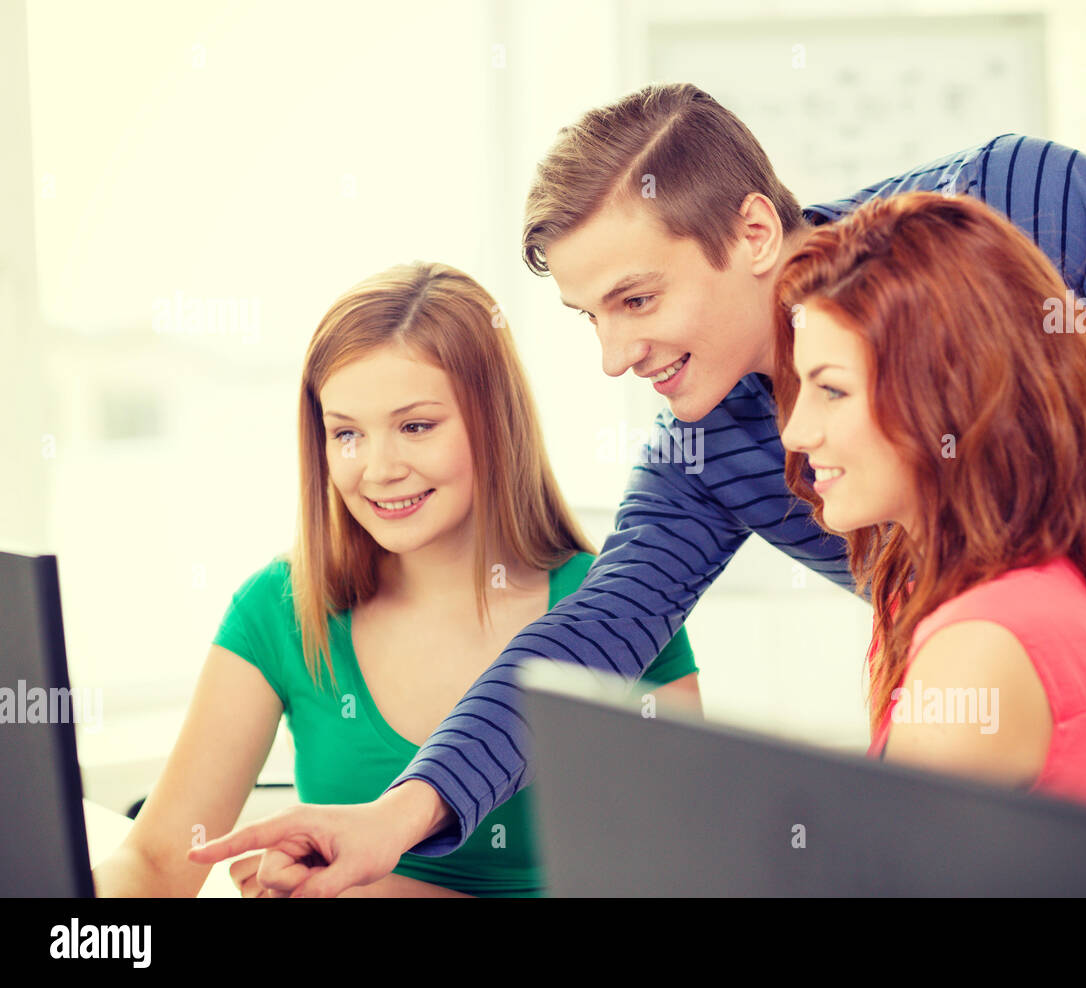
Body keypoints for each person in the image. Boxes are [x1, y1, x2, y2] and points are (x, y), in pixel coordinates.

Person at [190, 83, 1086, 895]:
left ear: (755, 231)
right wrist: (400, 814)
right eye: (588, 318)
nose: (614, 357)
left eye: (635, 299)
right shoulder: (705, 443)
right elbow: (590, 634)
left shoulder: (1020, 209)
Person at [94, 261, 699, 897]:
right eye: (347, 433)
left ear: (494, 423)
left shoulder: (621, 609)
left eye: (415, 426)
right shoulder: (280, 608)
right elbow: (157, 865)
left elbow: (690, 877)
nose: (378, 469)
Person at [774, 190, 1086, 822]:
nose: (795, 432)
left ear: (950, 396)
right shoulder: (988, 590)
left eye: (832, 390)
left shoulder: (980, 647)